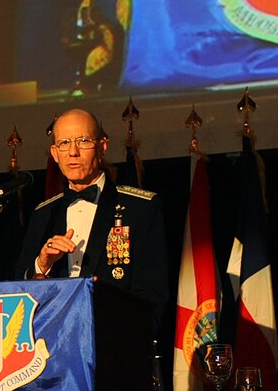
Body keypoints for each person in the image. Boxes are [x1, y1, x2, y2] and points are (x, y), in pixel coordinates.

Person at [14, 108, 169, 320]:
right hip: (51, 336)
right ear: (54, 153)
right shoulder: (43, 214)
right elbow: (18, 291)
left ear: (102, 146)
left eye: (83, 141)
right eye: (64, 143)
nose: (73, 152)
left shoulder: (140, 208)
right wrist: (42, 264)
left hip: (113, 334)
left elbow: (152, 297)